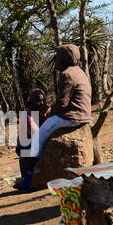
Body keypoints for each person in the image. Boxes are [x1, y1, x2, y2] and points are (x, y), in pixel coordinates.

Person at [15, 44, 91, 190]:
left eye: (58, 57)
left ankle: (30, 177)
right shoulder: (80, 72)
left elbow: (62, 103)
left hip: (71, 116)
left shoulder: (67, 74)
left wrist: (53, 113)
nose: (56, 60)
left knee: (37, 140)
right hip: (84, 114)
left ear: (64, 58)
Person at [15, 88, 49, 187]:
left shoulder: (48, 110)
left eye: (43, 100)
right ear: (32, 101)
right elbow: (36, 133)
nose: (41, 103)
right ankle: (28, 179)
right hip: (23, 146)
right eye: (38, 101)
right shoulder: (27, 114)